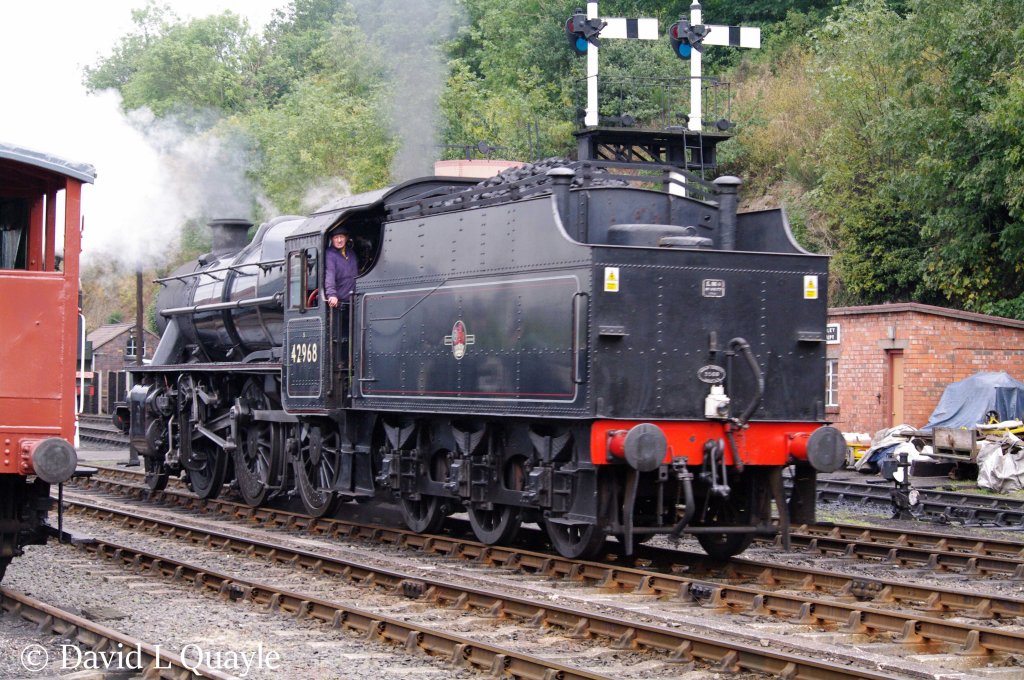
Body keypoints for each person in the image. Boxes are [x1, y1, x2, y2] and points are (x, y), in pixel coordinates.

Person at [325, 226, 358, 308]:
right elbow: (330, 274)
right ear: (332, 239)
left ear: (346, 238)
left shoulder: (351, 253)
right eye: (336, 237)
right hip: (341, 301)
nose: (339, 240)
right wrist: (332, 294)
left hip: (354, 298)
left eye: (341, 237)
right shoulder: (330, 254)